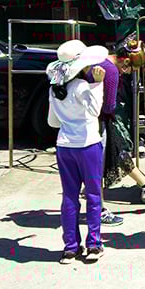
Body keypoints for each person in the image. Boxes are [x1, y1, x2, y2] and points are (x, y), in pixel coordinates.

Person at [85, 38, 145, 227]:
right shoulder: (112, 71)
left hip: (79, 121)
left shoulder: (98, 61)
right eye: (130, 69)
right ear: (125, 61)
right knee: (99, 166)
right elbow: (108, 106)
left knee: (97, 165)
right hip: (97, 121)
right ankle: (99, 210)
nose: (129, 73)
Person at [46, 40, 109, 264]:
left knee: (69, 197)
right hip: (88, 144)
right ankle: (94, 244)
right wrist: (98, 84)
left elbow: (52, 122)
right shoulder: (82, 86)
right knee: (93, 195)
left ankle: (70, 247)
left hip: (64, 146)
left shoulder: (54, 90)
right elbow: (94, 111)